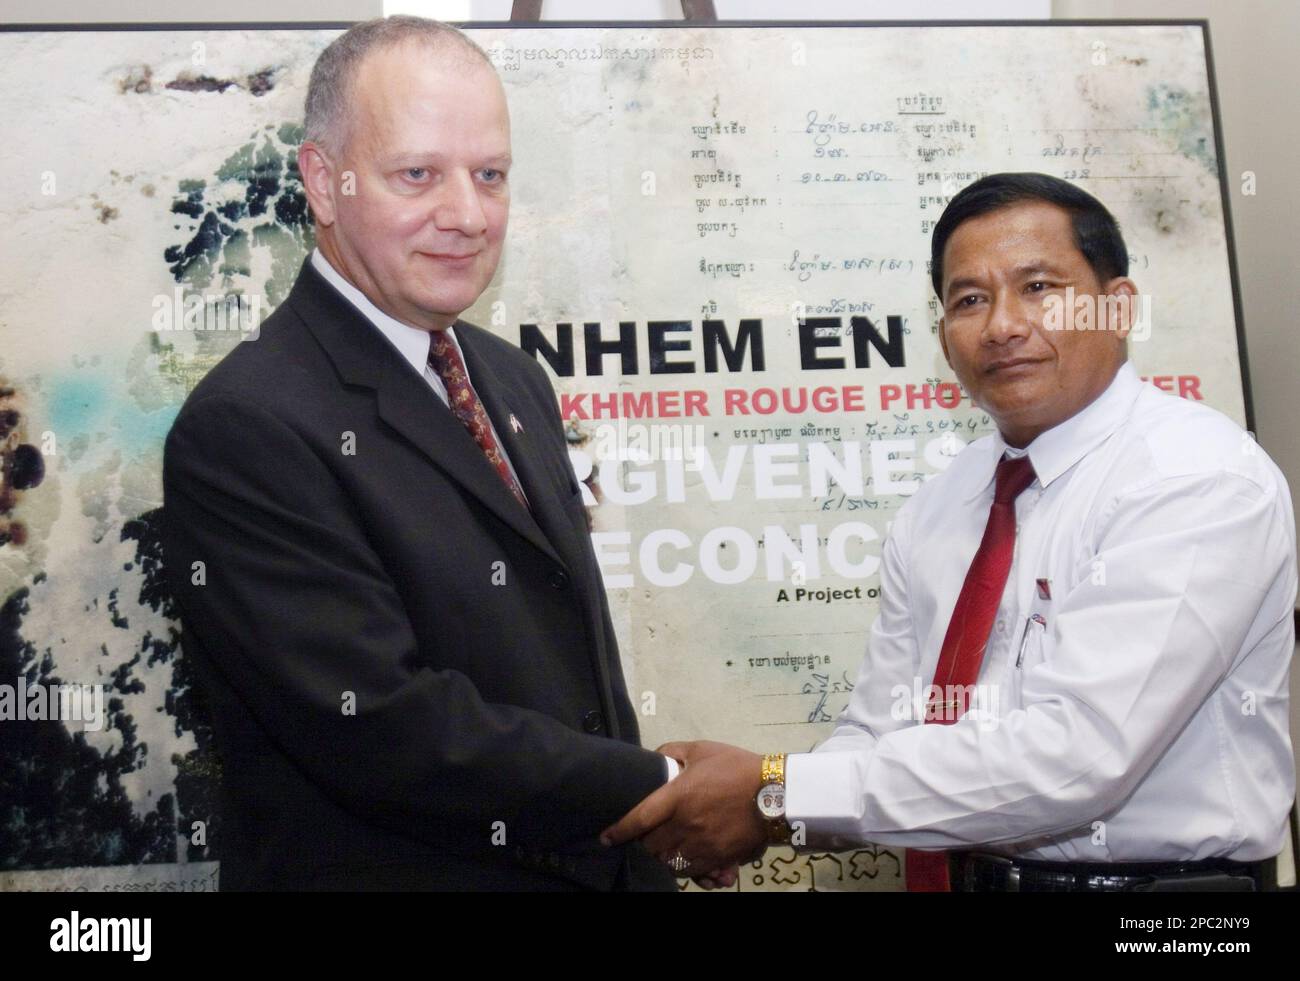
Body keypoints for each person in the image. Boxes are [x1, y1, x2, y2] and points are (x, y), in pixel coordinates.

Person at [603, 172, 1297, 892]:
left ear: (1118, 308)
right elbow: (881, 730)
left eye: (1039, 288)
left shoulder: (1194, 477)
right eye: (970, 299)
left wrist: (773, 797)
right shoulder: (942, 505)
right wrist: (757, 807)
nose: (1002, 325)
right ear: (943, 333)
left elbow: (1081, 755)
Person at [161, 16, 678, 891]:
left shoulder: (512, 380)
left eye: (490, 175)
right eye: (418, 175)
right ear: (323, 183)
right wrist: (664, 790)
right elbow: (386, 732)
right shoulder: (246, 427)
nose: (467, 216)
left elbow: (565, 668)